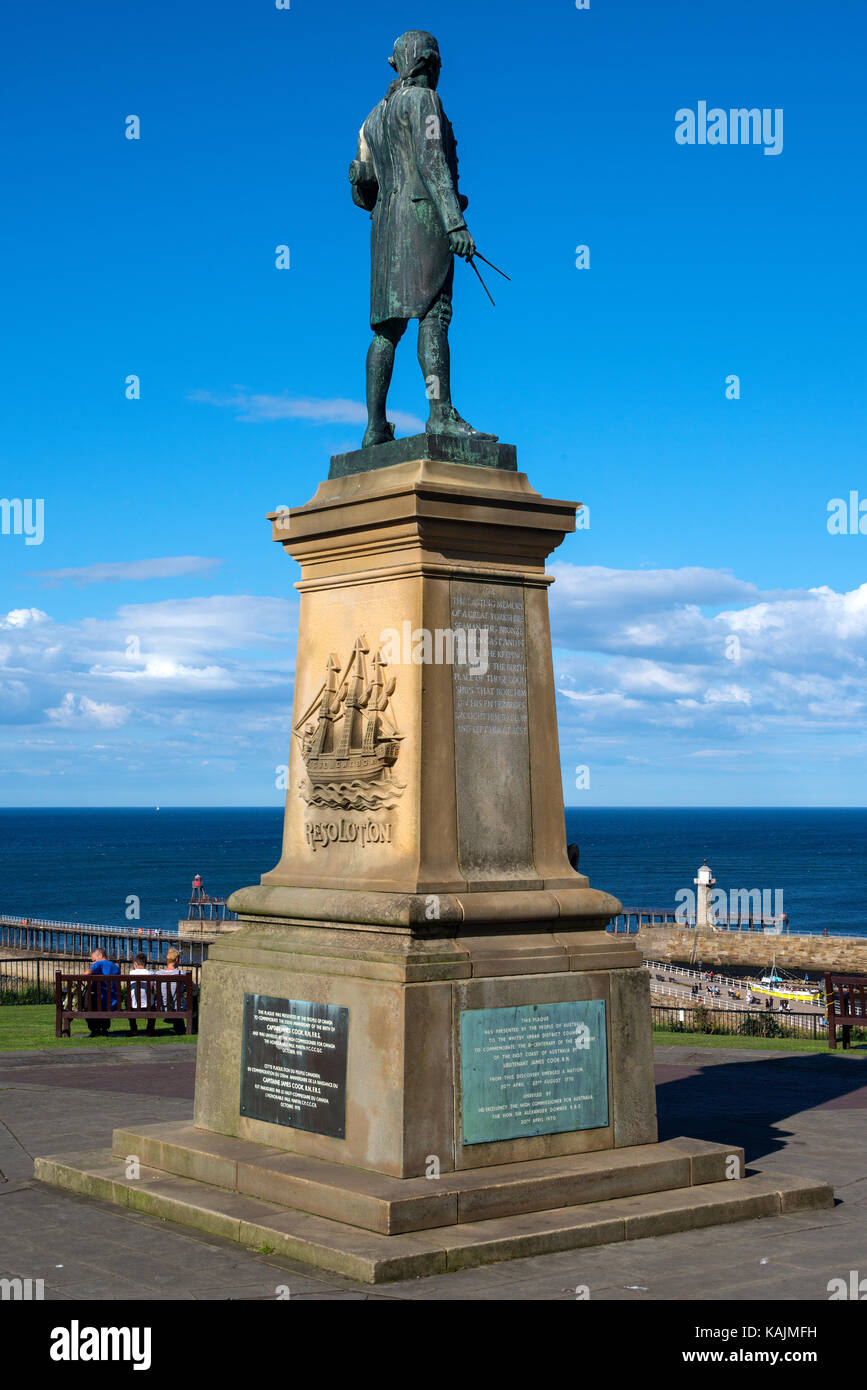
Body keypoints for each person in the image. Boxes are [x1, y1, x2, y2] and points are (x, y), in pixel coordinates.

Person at [350, 30, 495, 446]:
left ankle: (375, 427)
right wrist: (455, 222)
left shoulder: (372, 119)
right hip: (422, 222)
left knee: (385, 331)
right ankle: (440, 414)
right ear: (427, 63)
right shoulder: (424, 101)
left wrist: (360, 178)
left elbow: (364, 195)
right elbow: (434, 166)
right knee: (435, 314)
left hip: (385, 230)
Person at [87, 948, 120, 1036]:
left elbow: (88, 972)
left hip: (100, 1003)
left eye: (94, 960)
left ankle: (95, 1029)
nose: (93, 963)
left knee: (87, 1004)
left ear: (100, 956)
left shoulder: (99, 963)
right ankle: (104, 1028)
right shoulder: (116, 968)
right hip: (113, 1003)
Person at [127, 952, 152, 1036]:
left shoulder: (131, 973)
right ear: (145, 963)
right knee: (153, 1004)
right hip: (149, 1007)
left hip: (134, 1007)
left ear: (135, 964)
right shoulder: (151, 974)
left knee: (129, 1005)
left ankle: (134, 1029)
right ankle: (149, 1031)